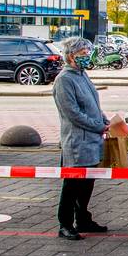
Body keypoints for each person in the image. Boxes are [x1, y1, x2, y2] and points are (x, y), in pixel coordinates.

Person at [52, 38, 111, 240]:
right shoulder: (64, 80)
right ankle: (65, 224)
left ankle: (83, 219)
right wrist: (98, 126)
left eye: (88, 53)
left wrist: (103, 118)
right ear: (70, 56)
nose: (87, 57)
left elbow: (93, 103)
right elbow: (73, 114)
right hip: (77, 142)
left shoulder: (82, 75)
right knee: (72, 185)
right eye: (83, 54)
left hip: (91, 140)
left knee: (87, 184)